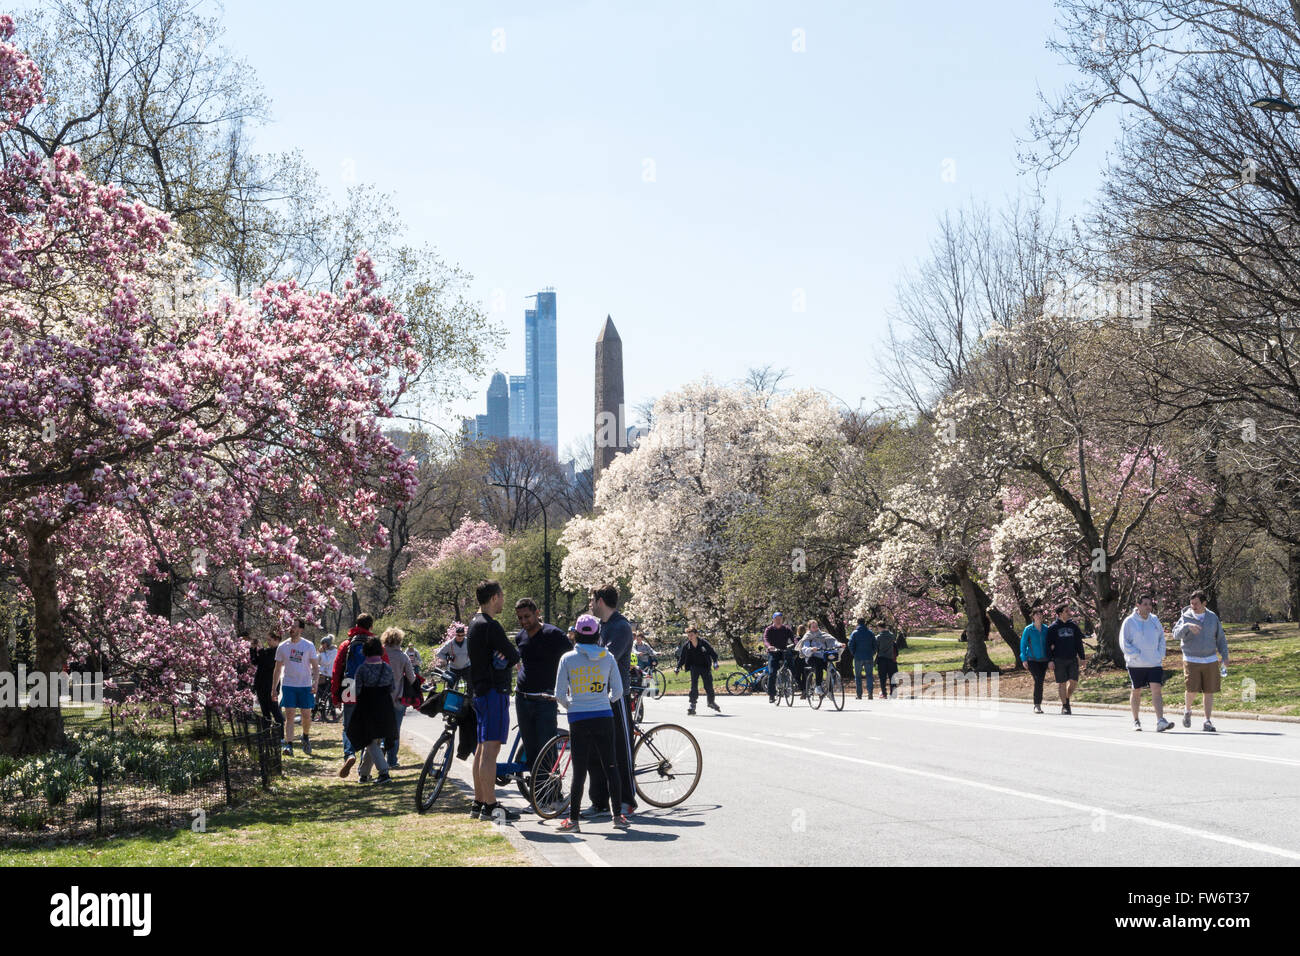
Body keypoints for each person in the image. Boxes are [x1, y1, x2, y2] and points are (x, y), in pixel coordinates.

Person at [554, 614, 629, 833]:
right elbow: (619, 691)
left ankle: (574, 821)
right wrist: (602, 701)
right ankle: (617, 816)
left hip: (578, 718)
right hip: (604, 715)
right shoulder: (608, 657)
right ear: (598, 634)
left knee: (579, 771)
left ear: (576, 634)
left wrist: (574, 705)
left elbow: (559, 694)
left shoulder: (567, 659)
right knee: (611, 766)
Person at [467, 579, 520, 822]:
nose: (503, 600)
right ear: (494, 597)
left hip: (479, 691)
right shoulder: (490, 626)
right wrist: (505, 656)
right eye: (502, 596)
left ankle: (479, 801)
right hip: (493, 692)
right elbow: (512, 654)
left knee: (481, 748)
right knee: (491, 750)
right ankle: (491, 806)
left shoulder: (473, 624)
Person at [585, 584, 637, 820]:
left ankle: (627, 801)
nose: (589, 604)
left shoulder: (620, 627)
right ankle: (599, 803)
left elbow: (606, 659)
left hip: (616, 697)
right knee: (594, 752)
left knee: (620, 751)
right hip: (596, 697)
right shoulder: (600, 627)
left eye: (591, 600)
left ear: (600, 601)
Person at [514, 597, 570, 768]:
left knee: (547, 752)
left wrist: (563, 689)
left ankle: (554, 794)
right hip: (522, 698)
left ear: (537, 613)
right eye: (520, 618)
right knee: (531, 752)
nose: (524, 621)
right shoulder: (520, 637)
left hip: (545, 699)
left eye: (527, 616)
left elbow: (570, 660)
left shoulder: (554, 634)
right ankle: (536, 793)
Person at [1172, 589, 1230, 733]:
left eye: (1196, 603)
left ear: (1204, 603)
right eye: (1191, 604)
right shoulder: (1186, 617)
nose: (1193, 606)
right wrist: (1186, 627)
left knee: (1209, 691)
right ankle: (1187, 711)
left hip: (1210, 658)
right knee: (1192, 689)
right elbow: (1175, 634)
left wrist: (1225, 655)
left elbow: (1220, 638)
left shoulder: (1212, 617)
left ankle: (1207, 721)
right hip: (1191, 658)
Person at [332, 613, 382, 778]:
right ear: (371, 627)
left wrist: (335, 696)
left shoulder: (346, 644)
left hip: (349, 685)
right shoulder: (375, 645)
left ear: (355, 625)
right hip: (369, 688)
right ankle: (363, 771)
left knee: (348, 726)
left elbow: (337, 671)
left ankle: (349, 754)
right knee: (367, 727)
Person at [1121, 594, 1172, 732]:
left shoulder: (1154, 620)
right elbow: (1124, 643)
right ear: (1138, 605)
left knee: (1156, 690)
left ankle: (1160, 720)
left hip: (1154, 663)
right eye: (1145, 604)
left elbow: (1162, 638)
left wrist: (1160, 654)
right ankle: (1136, 720)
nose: (1148, 607)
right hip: (1136, 664)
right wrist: (1135, 654)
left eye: (1150, 604)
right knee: (1136, 690)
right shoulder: (1129, 621)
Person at [351, 635, 397, 784]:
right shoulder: (387, 667)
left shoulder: (362, 669)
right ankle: (364, 774)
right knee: (374, 740)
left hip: (367, 707)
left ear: (365, 651)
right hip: (385, 707)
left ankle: (384, 772)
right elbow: (392, 688)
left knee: (369, 739)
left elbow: (356, 691)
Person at [272, 620, 319, 756]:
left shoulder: (308, 645)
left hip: (305, 685)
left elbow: (315, 667)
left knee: (306, 715)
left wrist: (315, 683)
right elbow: (277, 669)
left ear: (301, 630)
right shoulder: (282, 646)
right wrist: (273, 688)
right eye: (290, 626)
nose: (291, 628)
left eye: (294, 626)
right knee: (290, 714)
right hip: (288, 685)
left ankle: (305, 736)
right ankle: (289, 745)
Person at [382, 627, 417, 769]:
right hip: (397, 697)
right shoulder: (403, 657)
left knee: (382, 728)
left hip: (382, 696)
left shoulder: (380, 653)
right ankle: (392, 760)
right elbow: (412, 678)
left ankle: (379, 755)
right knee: (395, 729)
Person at [1045, 602, 1087, 715]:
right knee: (1062, 683)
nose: (1069, 613)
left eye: (1069, 611)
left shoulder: (1073, 626)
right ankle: (1065, 706)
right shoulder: (1053, 628)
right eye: (1066, 611)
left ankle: (1067, 698)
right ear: (1060, 614)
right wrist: (1050, 660)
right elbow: (1048, 646)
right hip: (1059, 659)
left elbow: (1079, 642)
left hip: (1072, 658)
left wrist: (1082, 657)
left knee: (1073, 682)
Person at [675, 626, 721, 715]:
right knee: (694, 686)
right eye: (688, 636)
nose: (690, 637)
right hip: (694, 667)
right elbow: (682, 658)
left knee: (708, 686)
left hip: (705, 666)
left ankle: (711, 702)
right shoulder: (687, 645)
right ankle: (692, 705)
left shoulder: (703, 643)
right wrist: (677, 667)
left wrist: (715, 663)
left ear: (696, 634)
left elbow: (713, 654)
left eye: (691, 635)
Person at [250, 630, 284, 734]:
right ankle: (266, 733)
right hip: (261, 685)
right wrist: (253, 649)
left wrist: (260, 649)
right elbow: (255, 661)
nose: (267, 642)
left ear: (277, 640)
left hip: (271, 686)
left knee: (274, 710)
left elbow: (269, 663)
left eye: (270, 640)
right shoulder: (268, 651)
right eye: (267, 640)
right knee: (265, 711)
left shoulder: (278, 651)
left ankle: (281, 733)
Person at [1019, 603, 1051, 714]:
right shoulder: (1028, 629)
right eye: (1036, 614)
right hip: (1032, 659)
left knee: (1040, 681)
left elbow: (1050, 643)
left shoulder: (1046, 629)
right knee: (1038, 680)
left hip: (1044, 660)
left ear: (1042, 616)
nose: (1038, 616)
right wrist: (1023, 659)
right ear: (1033, 616)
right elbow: (1023, 644)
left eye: (1040, 614)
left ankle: (1038, 703)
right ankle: (1036, 705)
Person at [762, 612, 797, 704]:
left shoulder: (786, 629)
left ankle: (793, 680)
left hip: (783, 650)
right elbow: (765, 639)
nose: (778, 620)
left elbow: (793, 638)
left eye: (780, 618)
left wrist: (797, 644)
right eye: (776, 618)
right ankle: (772, 695)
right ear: (773, 620)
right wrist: (769, 646)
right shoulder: (769, 629)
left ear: (782, 619)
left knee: (791, 662)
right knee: (772, 672)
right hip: (773, 652)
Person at [798, 620, 840, 695]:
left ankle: (830, 690)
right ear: (810, 628)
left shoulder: (823, 634)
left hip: (823, 656)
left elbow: (833, 641)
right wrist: (811, 649)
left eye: (816, 626)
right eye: (813, 627)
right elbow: (805, 648)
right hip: (812, 657)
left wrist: (839, 644)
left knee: (832, 670)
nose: (815, 628)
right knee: (818, 666)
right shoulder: (808, 636)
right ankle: (818, 686)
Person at [847, 618, 877, 700]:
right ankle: (870, 693)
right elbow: (875, 644)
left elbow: (850, 644)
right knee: (869, 675)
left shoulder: (855, 633)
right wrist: (872, 653)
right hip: (868, 656)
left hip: (858, 657)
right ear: (865, 623)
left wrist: (853, 653)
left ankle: (859, 694)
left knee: (858, 676)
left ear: (857, 623)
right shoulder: (870, 633)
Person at [876, 626, 898, 699]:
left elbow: (876, 648)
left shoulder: (878, 637)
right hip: (891, 659)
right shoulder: (892, 635)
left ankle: (884, 693)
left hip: (882, 659)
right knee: (892, 677)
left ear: (880, 627)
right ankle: (893, 693)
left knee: (882, 678)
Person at [317, 636, 337, 711]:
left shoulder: (334, 651)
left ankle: (332, 712)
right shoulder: (324, 651)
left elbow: (326, 662)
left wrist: (322, 653)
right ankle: (318, 710)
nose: (322, 645)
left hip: (329, 675)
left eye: (323, 644)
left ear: (327, 644)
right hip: (322, 675)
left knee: (328, 695)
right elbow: (318, 661)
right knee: (319, 694)